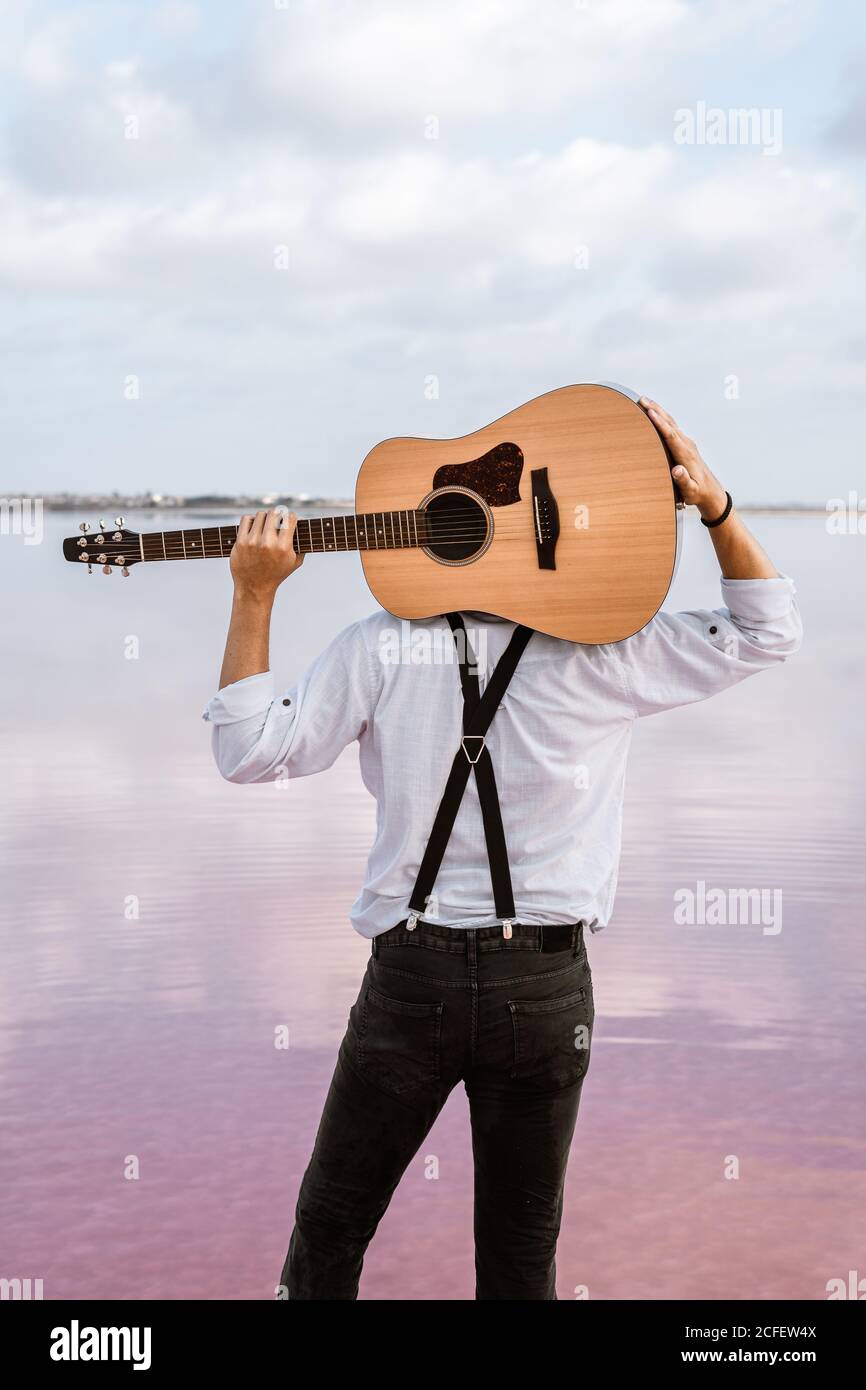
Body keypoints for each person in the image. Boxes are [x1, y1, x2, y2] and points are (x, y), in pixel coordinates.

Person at [202, 398, 802, 1300]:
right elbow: (769, 632)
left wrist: (253, 593)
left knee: (328, 1237)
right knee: (521, 1265)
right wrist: (714, 506)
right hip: (548, 987)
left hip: (411, 980)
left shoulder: (378, 649)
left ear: (430, 539)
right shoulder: (612, 650)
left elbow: (248, 754)